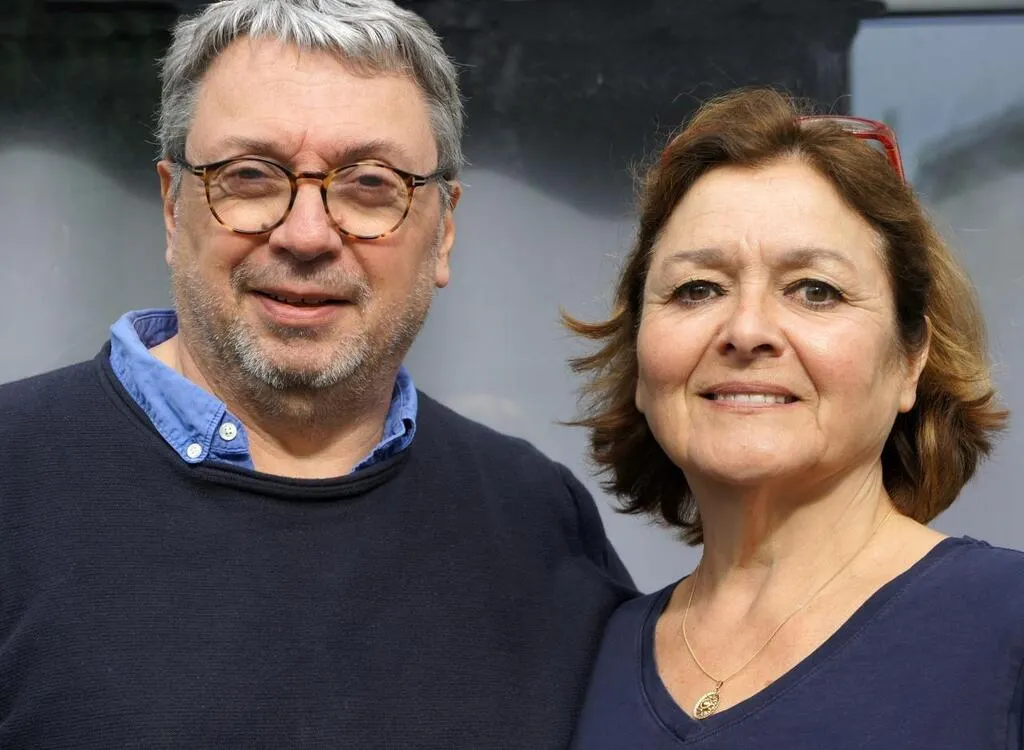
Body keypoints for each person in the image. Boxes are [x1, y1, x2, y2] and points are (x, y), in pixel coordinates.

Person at [0, 1, 635, 746]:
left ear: (444, 231)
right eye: (250, 176)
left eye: (370, 184)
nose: (306, 235)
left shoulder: (539, 521)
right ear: (174, 208)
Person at [567, 87, 1023, 749]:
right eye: (698, 289)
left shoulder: (1006, 627)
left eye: (816, 290)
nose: (747, 330)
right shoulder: (584, 660)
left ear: (910, 359)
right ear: (639, 357)